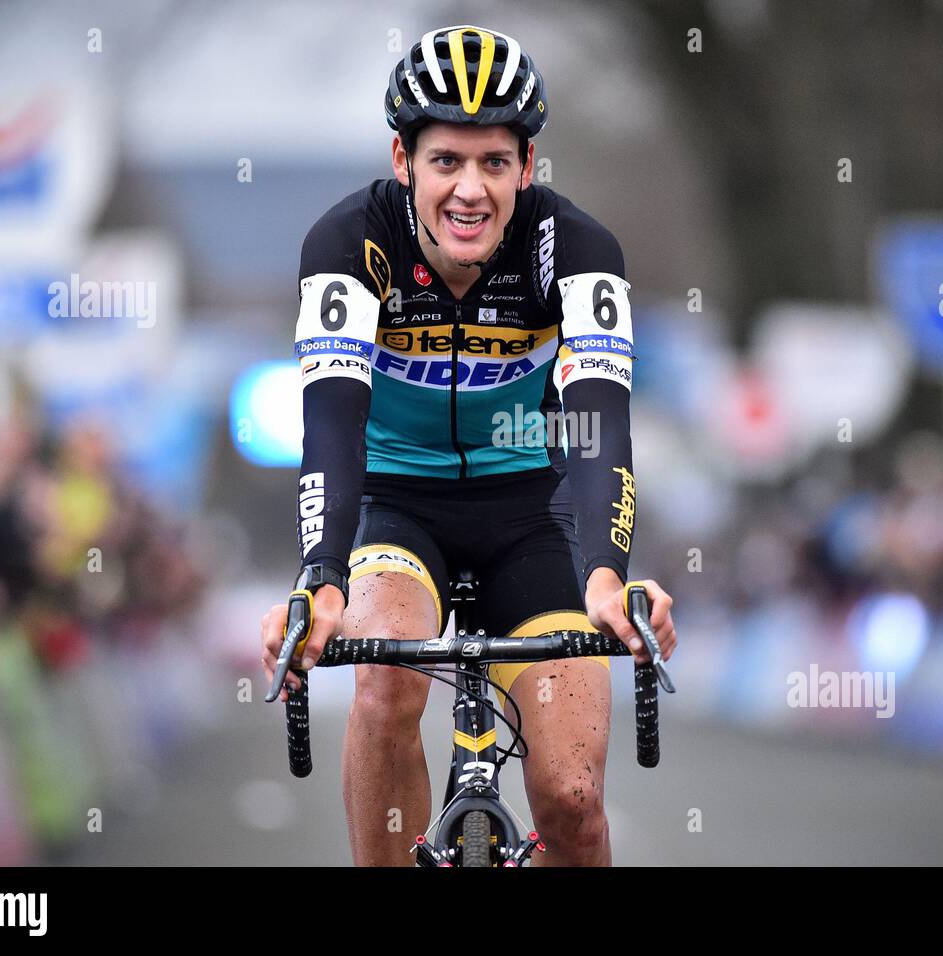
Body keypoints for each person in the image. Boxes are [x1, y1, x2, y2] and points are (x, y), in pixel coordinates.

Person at [260, 24, 676, 866]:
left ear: (528, 167)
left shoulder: (579, 250)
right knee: (383, 683)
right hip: (394, 508)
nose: (470, 190)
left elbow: (601, 419)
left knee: (571, 799)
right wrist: (323, 577)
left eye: (494, 162)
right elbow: (332, 425)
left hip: (532, 511)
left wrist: (606, 572)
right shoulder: (346, 247)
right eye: (446, 160)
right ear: (402, 159)